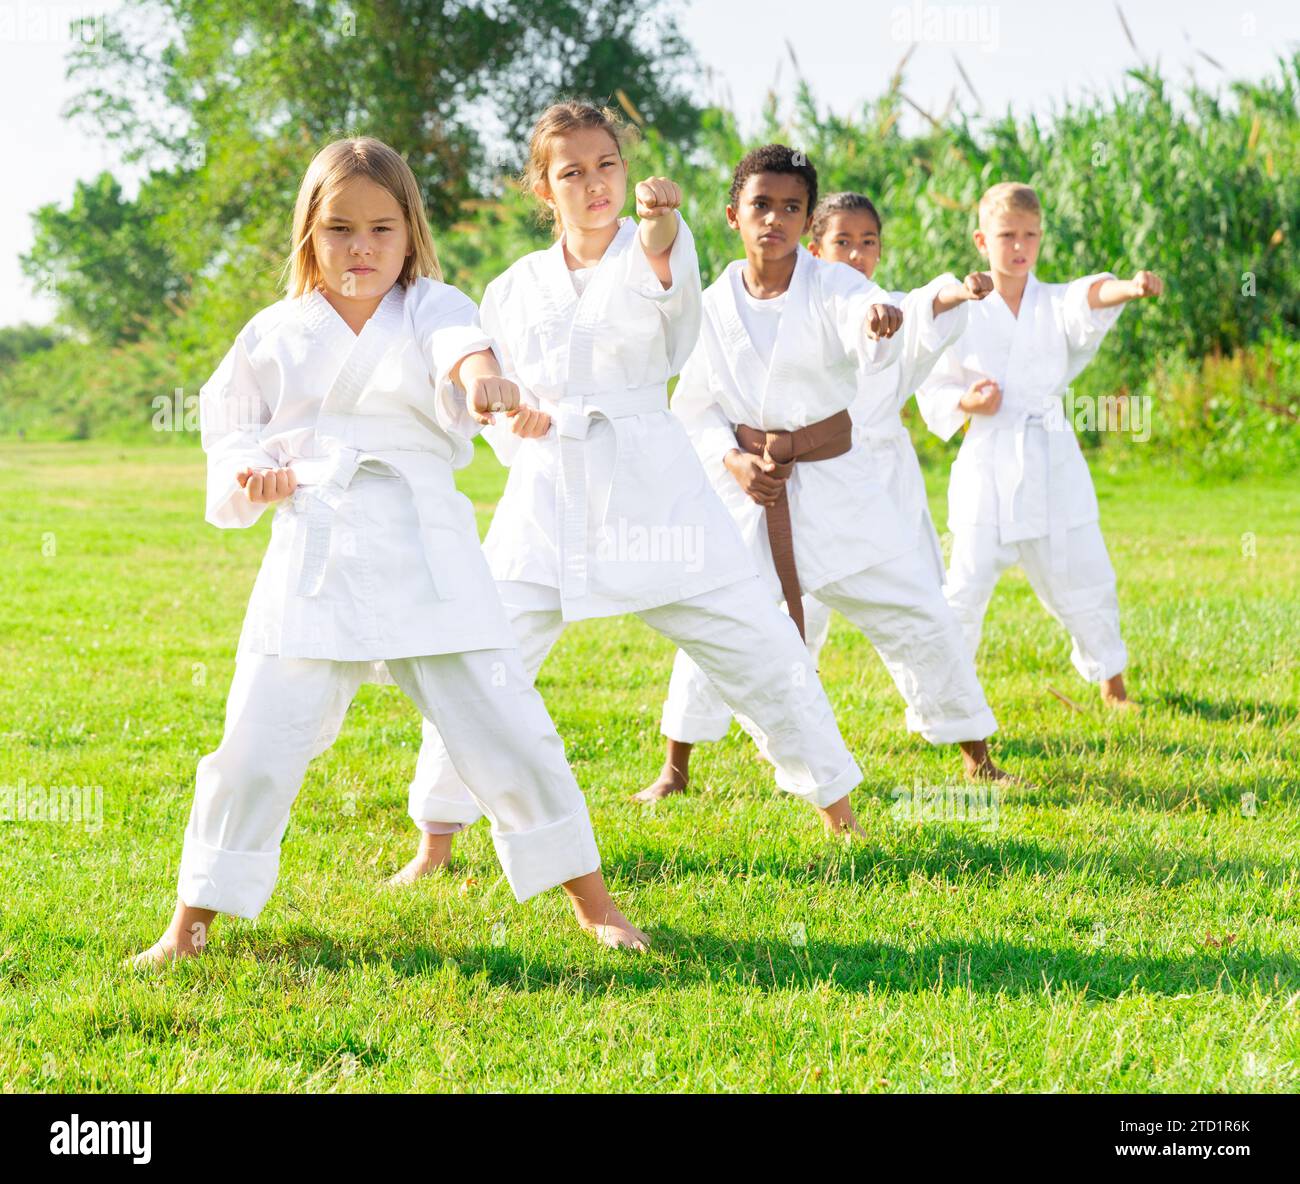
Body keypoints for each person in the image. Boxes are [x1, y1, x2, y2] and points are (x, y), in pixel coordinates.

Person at [133, 136, 649, 966]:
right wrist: (251, 473)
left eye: (381, 228)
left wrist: (485, 381)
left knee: (509, 727)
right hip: (316, 548)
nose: (361, 248)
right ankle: (190, 923)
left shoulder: (435, 306)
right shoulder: (273, 333)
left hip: (430, 553)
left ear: (409, 231)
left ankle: (593, 901)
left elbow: (466, 351)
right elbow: (230, 431)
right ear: (309, 232)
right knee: (254, 742)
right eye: (340, 229)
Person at [393, 103, 882, 886]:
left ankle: (839, 808)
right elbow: (485, 394)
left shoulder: (658, 246)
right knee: (481, 656)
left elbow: (668, 292)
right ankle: (437, 835)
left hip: (655, 489)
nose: (594, 183)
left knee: (757, 640)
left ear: (628, 173)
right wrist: (513, 416)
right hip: (550, 493)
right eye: (572, 172)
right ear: (543, 188)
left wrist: (659, 224)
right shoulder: (513, 287)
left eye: (607, 165)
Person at [641, 154, 1010, 805]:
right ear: (735, 216)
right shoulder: (714, 304)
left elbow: (868, 313)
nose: (775, 219)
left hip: (838, 486)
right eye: (762, 205)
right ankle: (676, 767)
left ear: (805, 220)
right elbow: (694, 405)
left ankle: (974, 752)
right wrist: (731, 459)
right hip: (750, 487)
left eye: (790, 208)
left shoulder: (836, 287)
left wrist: (878, 324)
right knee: (719, 625)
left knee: (916, 609)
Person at [916, 181, 1163, 708]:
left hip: (1051, 459)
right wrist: (968, 403)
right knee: (966, 580)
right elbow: (935, 384)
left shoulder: (1053, 301)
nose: (1020, 246)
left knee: (1082, 568)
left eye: (1030, 235)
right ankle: (946, 697)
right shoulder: (965, 308)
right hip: (987, 461)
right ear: (982, 239)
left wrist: (1132, 288)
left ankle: (1112, 682)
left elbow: (1089, 297)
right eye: (1007, 235)